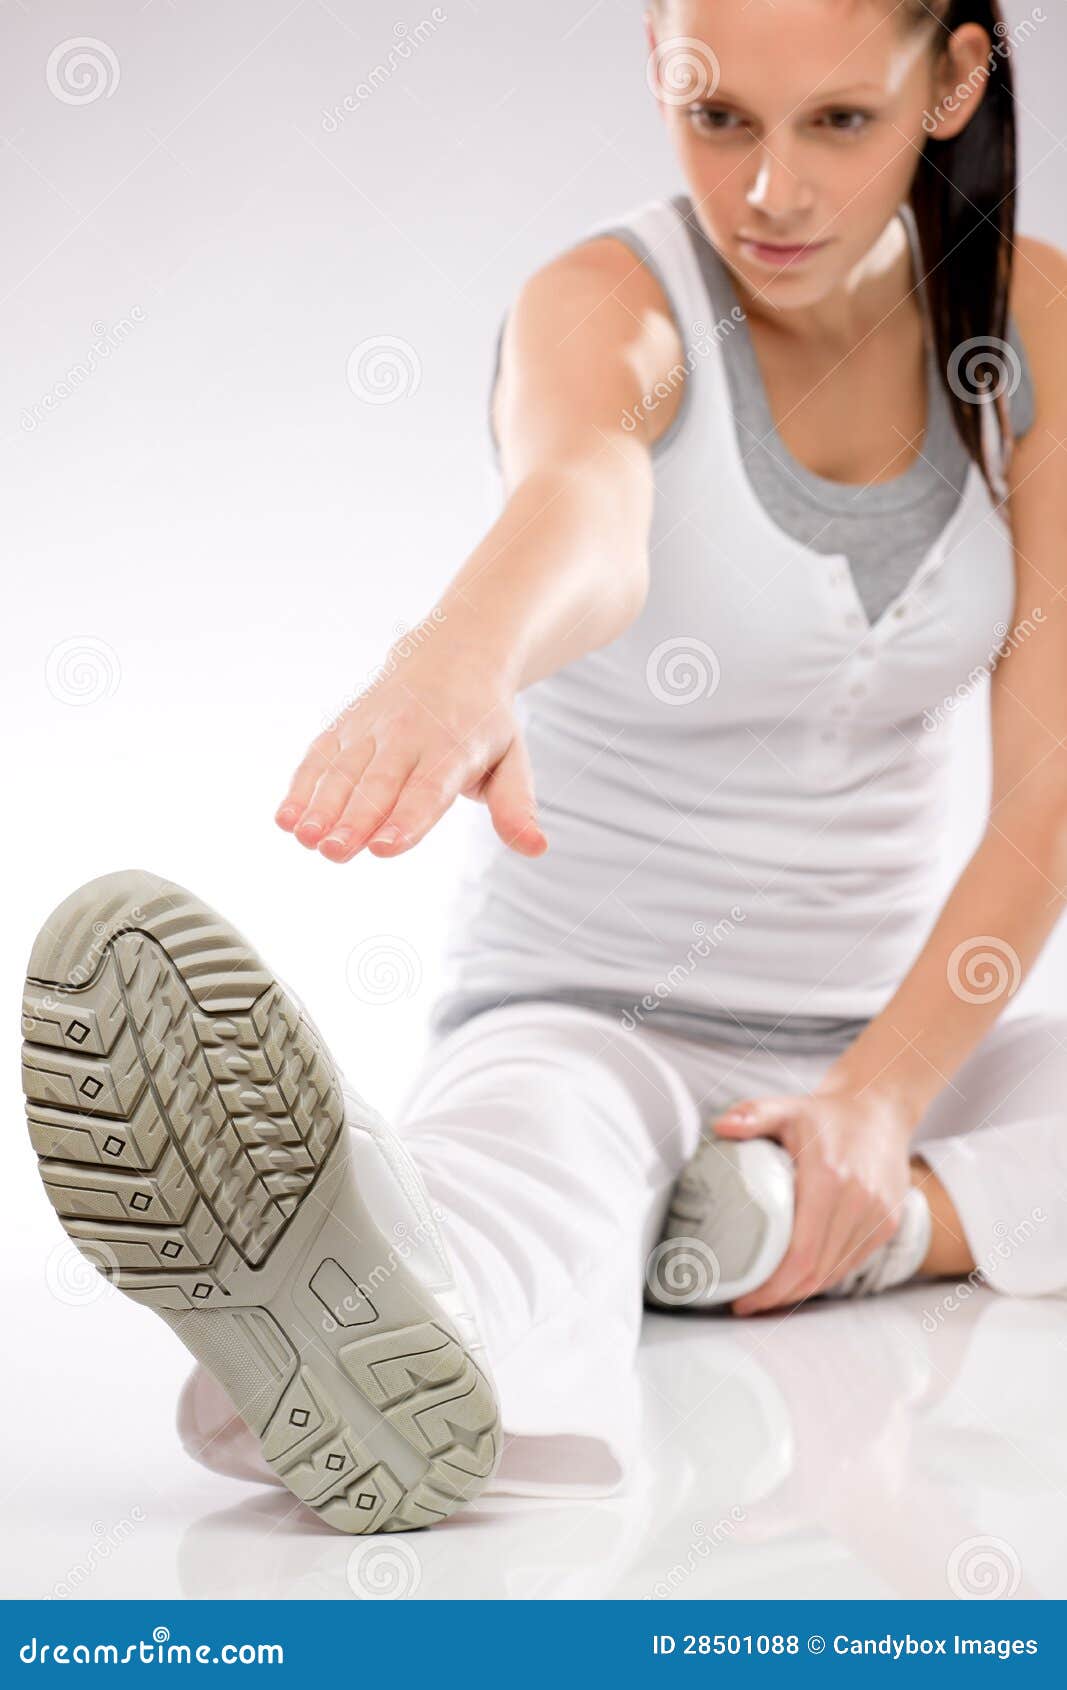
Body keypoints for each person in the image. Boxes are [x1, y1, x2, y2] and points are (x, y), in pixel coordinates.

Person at [22, 0, 1067, 1534]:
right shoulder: (605, 304)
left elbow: (1046, 790)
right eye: (719, 119)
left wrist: (879, 1101)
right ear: (660, 69)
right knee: (521, 1189)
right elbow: (583, 503)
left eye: (837, 121)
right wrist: (465, 653)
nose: (770, 192)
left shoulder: (1030, 324)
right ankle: (392, 1278)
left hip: (904, 1031)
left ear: (957, 79)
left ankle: (863, 1221)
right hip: (594, 1011)